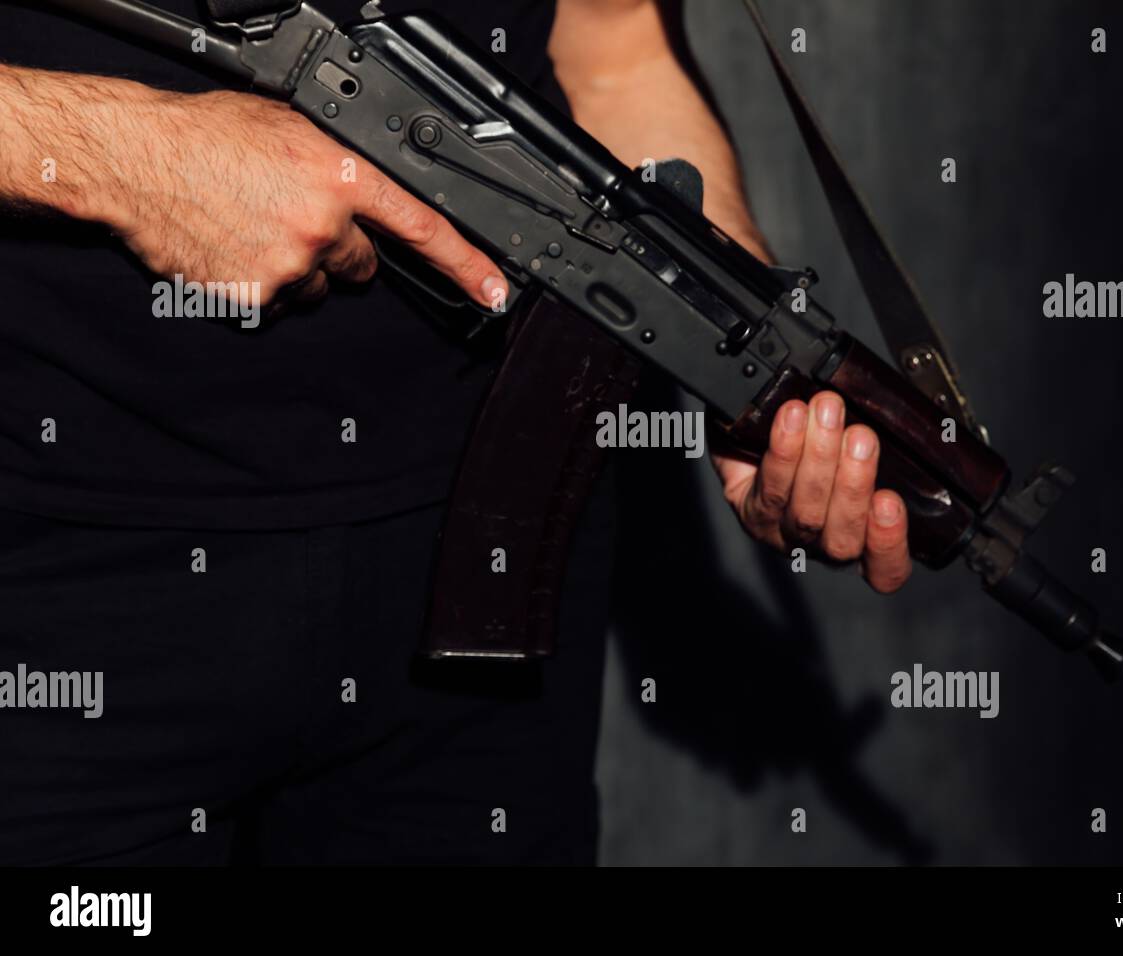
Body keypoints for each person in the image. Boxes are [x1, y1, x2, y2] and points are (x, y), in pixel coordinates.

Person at [0, 0, 911, 865]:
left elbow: (617, 50)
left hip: (490, 595)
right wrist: (113, 154)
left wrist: (737, 343)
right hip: (57, 597)